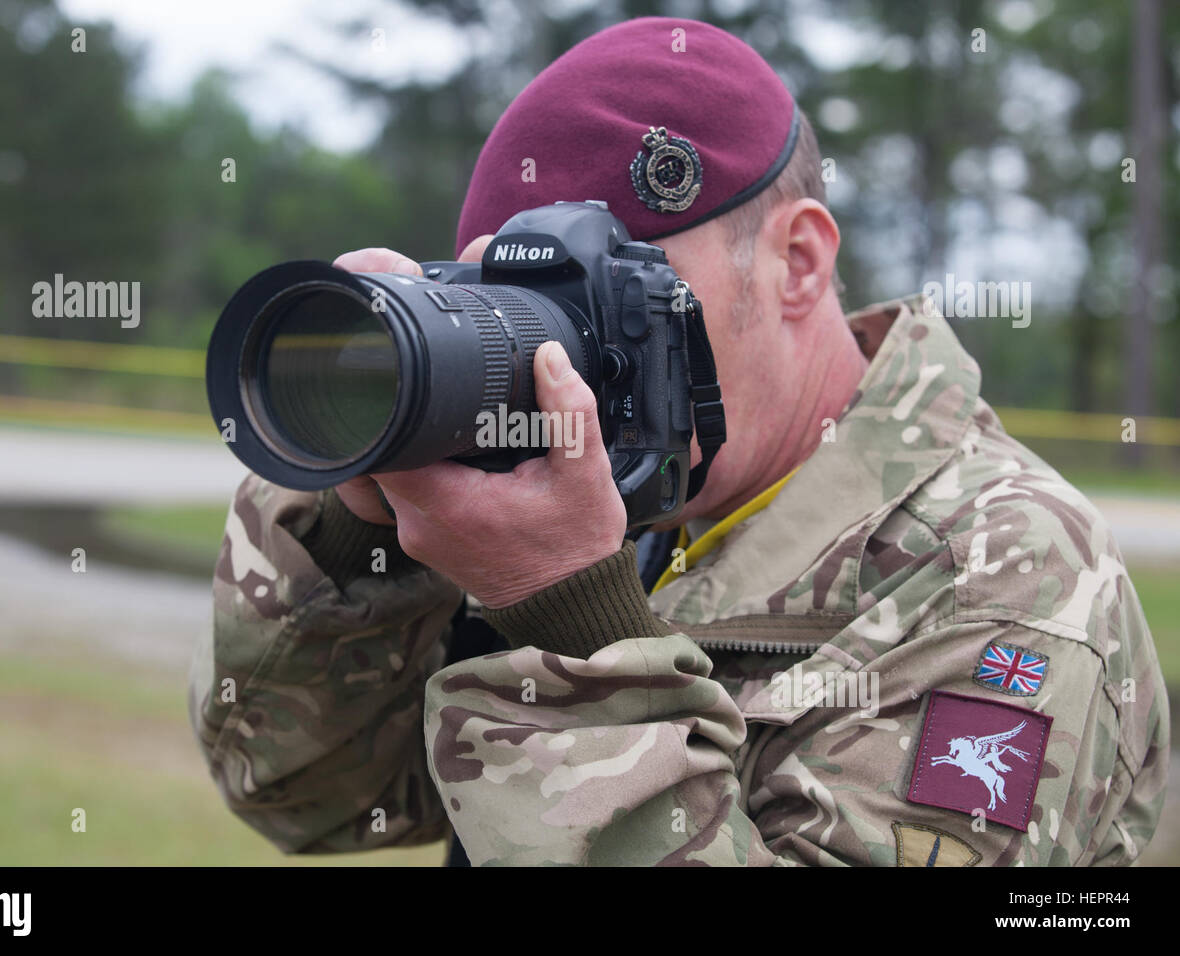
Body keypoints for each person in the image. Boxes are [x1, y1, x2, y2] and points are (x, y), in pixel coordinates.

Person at [189, 17, 1168, 866]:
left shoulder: (1004, 574)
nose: (566, 353)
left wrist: (572, 615)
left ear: (797, 261)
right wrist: (355, 536)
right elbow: (307, 794)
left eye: (610, 288)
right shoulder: (599, 494)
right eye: (514, 301)